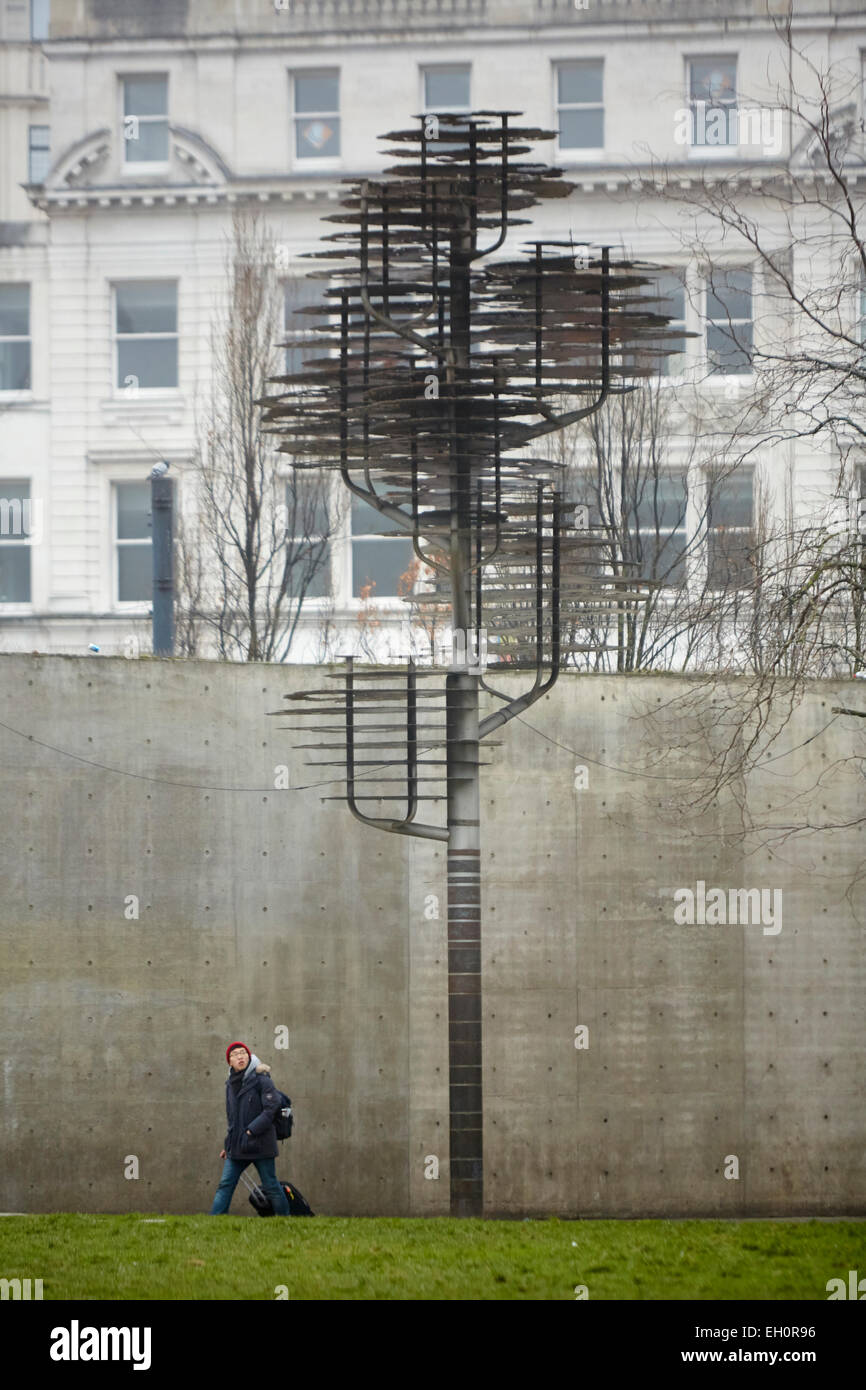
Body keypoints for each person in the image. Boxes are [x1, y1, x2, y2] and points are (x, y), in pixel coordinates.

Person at [209, 1041, 291, 1216]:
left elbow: (271, 1109)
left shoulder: (262, 1079)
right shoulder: (230, 1084)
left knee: (271, 1186)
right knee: (225, 1185)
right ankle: (214, 1221)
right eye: (235, 1054)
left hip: (262, 1145)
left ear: (249, 1056)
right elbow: (232, 1119)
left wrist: (251, 1130)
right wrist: (228, 1145)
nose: (240, 1056)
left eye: (243, 1053)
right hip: (238, 1146)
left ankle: (285, 1220)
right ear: (229, 1062)